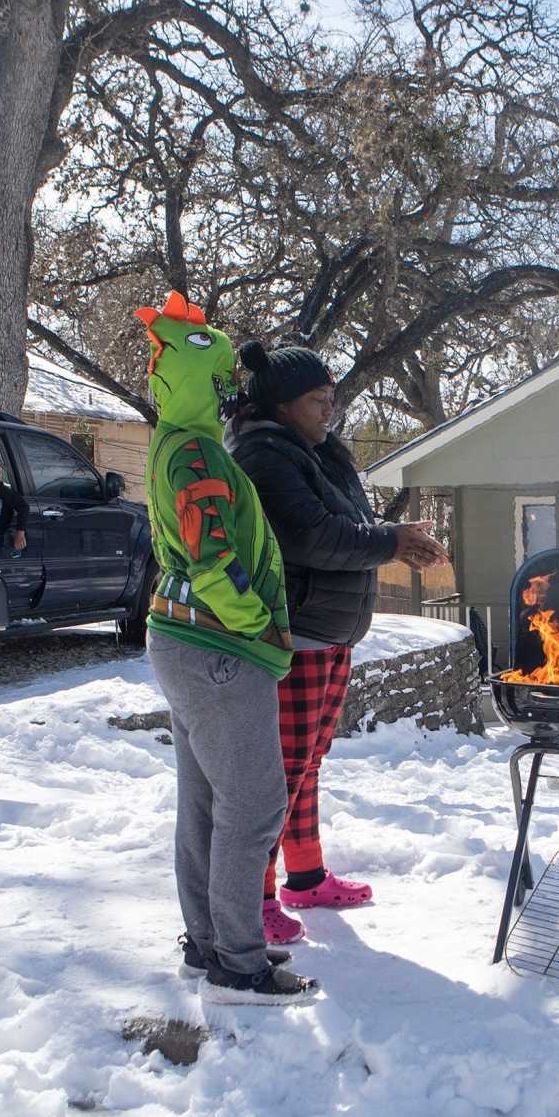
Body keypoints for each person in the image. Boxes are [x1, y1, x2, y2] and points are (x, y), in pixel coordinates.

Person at [227, 340, 447, 945]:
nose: (330, 411)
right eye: (318, 401)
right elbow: (310, 536)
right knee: (280, 772)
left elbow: (348, 526)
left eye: (332, 400)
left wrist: (392, 537)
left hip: (328, 632)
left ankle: (307, 876)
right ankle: (256, 894)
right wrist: (390, 542)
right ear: (281, 403)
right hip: (292, 634)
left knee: (307, 765)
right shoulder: (263, 454)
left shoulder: (314, 451)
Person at [135, 291, 317, 1006]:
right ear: (196, 382)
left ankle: (213, 940)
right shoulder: (195, 453)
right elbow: (213, 555)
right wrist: (258, 625)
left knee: (206, 799)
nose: (231, 394)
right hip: (216, 644)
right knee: (254, 802)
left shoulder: (172, 443)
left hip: (182, 640)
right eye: (221, 383)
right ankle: (237, 966)